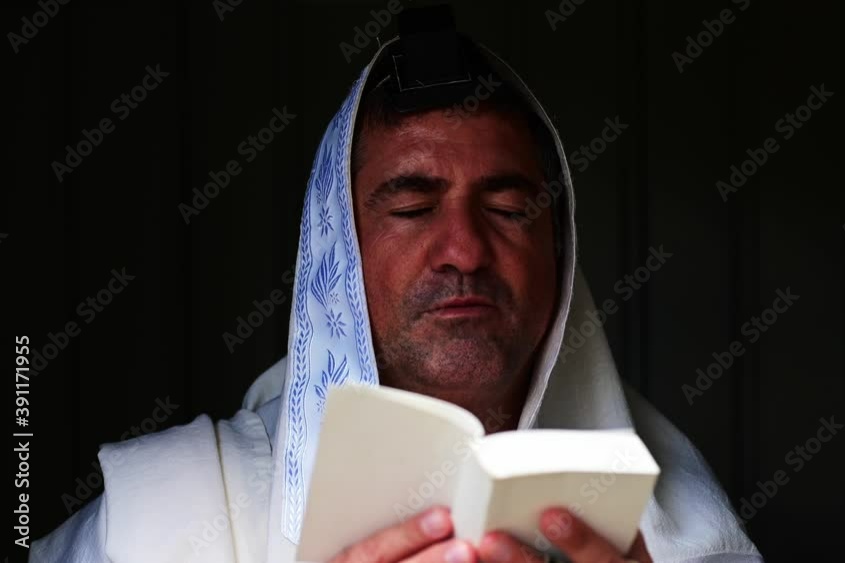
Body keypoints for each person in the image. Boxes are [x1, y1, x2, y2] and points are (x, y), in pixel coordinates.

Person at [30, 14, 762, 563]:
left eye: (510, 209)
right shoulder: (166, 512)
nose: (464, 250)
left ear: (560, 250)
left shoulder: (682, 525)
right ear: (338, 250)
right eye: (412, 208)